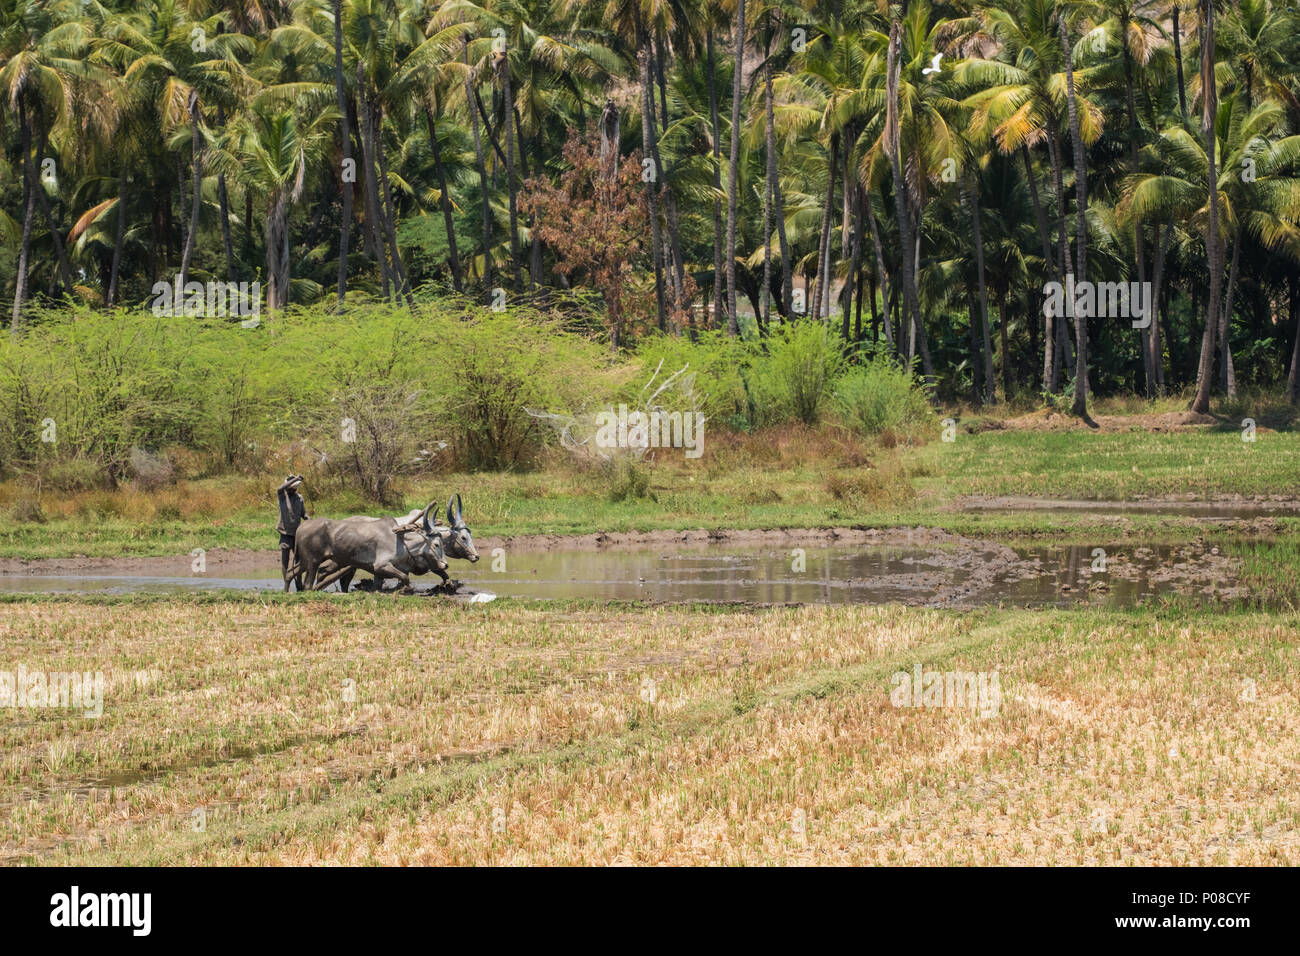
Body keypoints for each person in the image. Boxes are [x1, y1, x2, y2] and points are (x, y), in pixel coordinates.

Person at [276, 475, 309, 591]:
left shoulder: (299, 498)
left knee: (298, 562)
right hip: (285, 533)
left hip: (298, 534)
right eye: (290, 488)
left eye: (293, 488)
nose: (291, 490)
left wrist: (310, 520)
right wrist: (296, 479)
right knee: (285, 561)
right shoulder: (282, 496)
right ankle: (287, 587)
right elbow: (280, 488)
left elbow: (303, 514)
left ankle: (299, 586)